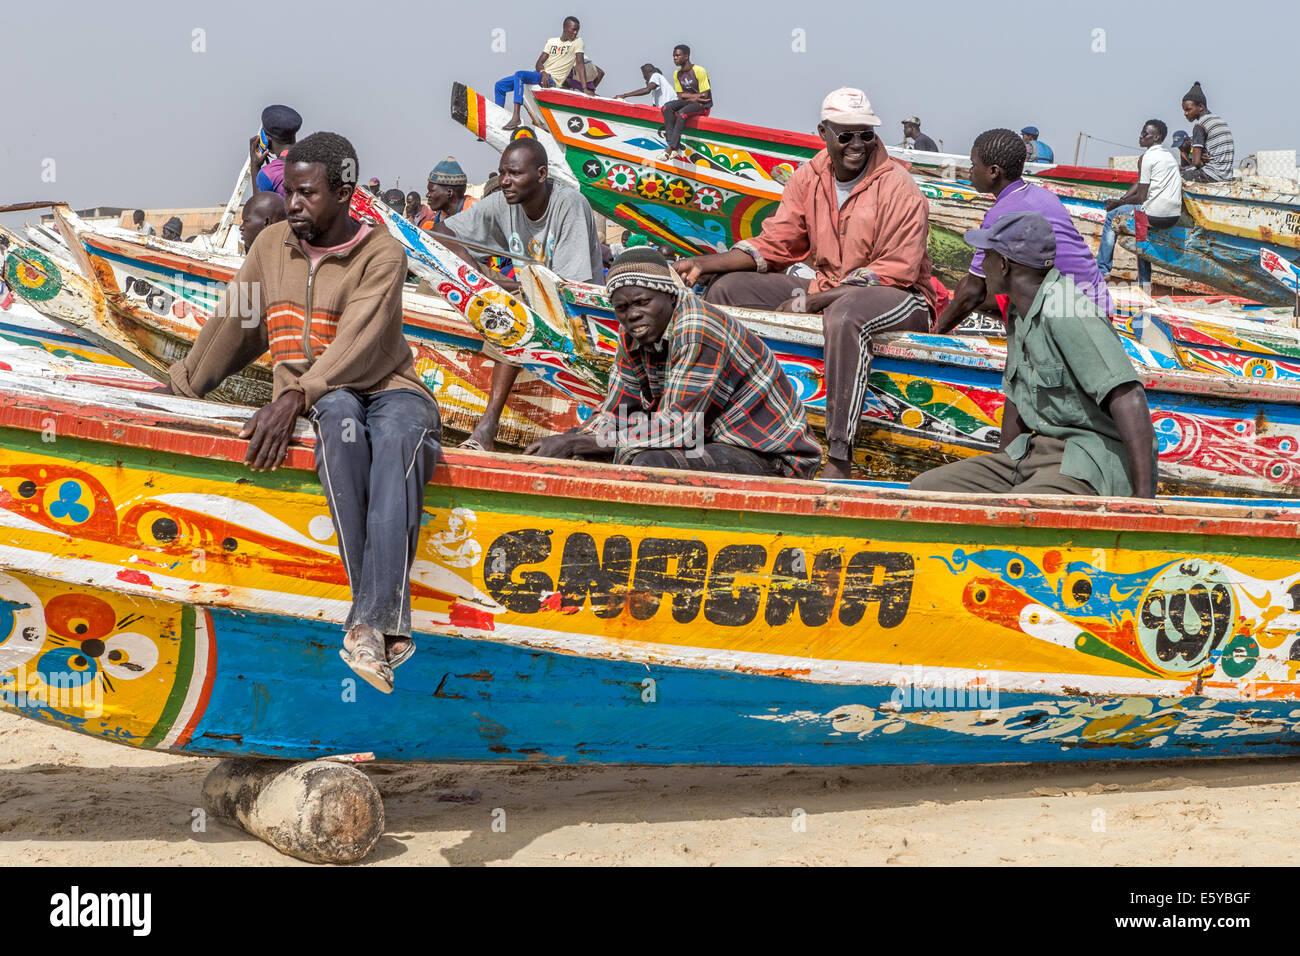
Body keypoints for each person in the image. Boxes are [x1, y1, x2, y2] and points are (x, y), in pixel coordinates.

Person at [160, 131, 442, 694]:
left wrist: (294, 395)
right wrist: (181, 387)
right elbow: (234, 323)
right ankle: (379, 625)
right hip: (327, 397)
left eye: (307, 193)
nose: (292, 204)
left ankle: (368, 622)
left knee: (397, 446)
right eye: (288, 191)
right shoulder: (270, 247)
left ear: (344, 192)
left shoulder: (381, 252)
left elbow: (358, 343)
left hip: (388, 387)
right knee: (339, 429)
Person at [674, 87, 937, 480]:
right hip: (828, 288)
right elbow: (777, 243)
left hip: (901, 297)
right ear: (823, 133)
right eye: (845, 135)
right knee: (727, 290)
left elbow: (896, 269)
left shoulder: (899, 186)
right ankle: (732, 414)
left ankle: (839, 456)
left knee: (845, 316)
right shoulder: (808, 178)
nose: (857, 144)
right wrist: (704, 262)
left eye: (865, 134)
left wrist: (815, 302)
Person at [910, 212, 1156, 499]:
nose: (981, 264)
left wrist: (1143, 502)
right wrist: (1003, 469)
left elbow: (1129, 397)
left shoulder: (1067, 310)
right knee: (924, 490)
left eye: (986, 255)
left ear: (1002, 265)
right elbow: (1017, 396)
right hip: (1033, 454)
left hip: (1086, 460)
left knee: (1015, 508)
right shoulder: (1019, 311)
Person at [525, 248, 822, 477]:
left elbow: (679, 429)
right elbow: (617, 412)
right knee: (585, 447)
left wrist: (576, 444)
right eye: (622, 308)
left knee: (651, 462)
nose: (632, 315)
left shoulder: (697, 328)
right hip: (711, 440)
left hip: (771, 456)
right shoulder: (632, 336)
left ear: (668, 296)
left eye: (642, 302)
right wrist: (569, 440)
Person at [433, 138, 603, 451]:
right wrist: (479, 277)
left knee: (515, 311)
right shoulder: (504, 201)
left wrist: (511, 293)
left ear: (541, 175)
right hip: (534, 302)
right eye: (501, 173)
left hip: (579, 313)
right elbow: (441, 233)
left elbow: (568, 287)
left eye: (514, 174)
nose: (505, 181)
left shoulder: (568, 204)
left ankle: (488, 425)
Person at [933, 128, 1111, 335]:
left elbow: (973, 291)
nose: (970, 171)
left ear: (993, 171)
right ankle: (1020, 330)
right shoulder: (1045, 196)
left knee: (973, 290)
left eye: (974, 165)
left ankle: (1027, 335)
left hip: (1074, 318)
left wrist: (933, 332)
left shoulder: (1000, 213)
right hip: (1100, 304)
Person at [1096, 120, 1182, 290]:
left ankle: (1102, 270)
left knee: (1112, 216)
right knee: (1140, 232)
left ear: (1155, 137)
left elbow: (1142, 197)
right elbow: (1140, 185)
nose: (1140, 137)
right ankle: (1144, 282)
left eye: (1144, 134)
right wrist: (1122, 200)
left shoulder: (1149, 157)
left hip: (1154, 214)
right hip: (1173, 216)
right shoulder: (1169, 156)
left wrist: (1118, 204)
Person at [495, 16, 587, 130]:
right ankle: (497, 119)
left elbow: (580, 64)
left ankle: (516, 117)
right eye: (573, 29)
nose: (575, 32)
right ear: (564, 28)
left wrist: (585, 88)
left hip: (552, 79)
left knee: (519, 74)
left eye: (577, 30)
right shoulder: (552, 41)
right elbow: (539, 62)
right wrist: (543, 73)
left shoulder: (577, 42)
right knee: (499, 86)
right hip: (541, 75)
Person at [661, 44, 712, 160]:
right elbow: (679, 95)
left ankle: (670, 148)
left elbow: (705, 95)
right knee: (666, 108)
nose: (675, 58)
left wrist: (690, 97)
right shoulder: (677, 74)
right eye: (674, 56)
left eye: (677, 55)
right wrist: (695, 97)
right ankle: (672, 143)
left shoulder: (699, 70)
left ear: (686, 56)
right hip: (691, 102)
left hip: (703, 105)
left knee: (682, 113)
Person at [1179, 81, 1234, 182]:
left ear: (1201, 107)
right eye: (1184, 110)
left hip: (1212, 175)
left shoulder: (1200, 125)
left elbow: (1195, 163)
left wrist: (1184, 169)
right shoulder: (1219, 120)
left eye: (1188, 109)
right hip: (1226, 175)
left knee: (1175, 176)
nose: (1185, 113)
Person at [251, 105, 302, 197]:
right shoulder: (313, 160)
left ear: (266, 139)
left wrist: (255, 167)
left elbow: (259, 206)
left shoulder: (268, 174)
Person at [424, 157, 476, 228]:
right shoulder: (441, 216)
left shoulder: (474, 215)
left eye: (431, 191)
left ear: (449, 193)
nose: (427, 195)